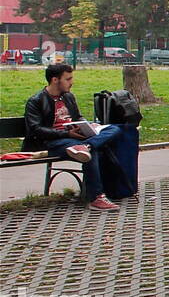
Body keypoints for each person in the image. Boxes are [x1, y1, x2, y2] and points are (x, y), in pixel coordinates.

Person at [22, 63, 122, 210]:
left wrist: (87, 126)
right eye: (68, 79)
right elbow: (35, 130)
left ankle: (87, 145)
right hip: (51, 142)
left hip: (75, 139)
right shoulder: (36, 101)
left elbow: (77, 117)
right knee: (90, 152)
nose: (71, 82)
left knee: (115, 129)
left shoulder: (68, 97)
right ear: (55, 80)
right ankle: (95, 198)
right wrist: (66, 133)